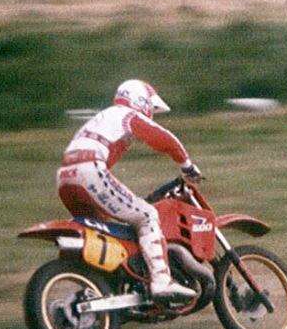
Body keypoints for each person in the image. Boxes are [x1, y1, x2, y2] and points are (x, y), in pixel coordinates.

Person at [57, 80, 202, 302]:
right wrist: (187, 166)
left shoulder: (102, 118)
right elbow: (164, 138)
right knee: (147, 216)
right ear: (141, 102)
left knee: (109, 232)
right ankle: (162, 281)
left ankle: (107, 288)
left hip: (66, 177)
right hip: (90, 171)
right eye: (150, 109)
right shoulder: (126, 114)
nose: (151, 114)